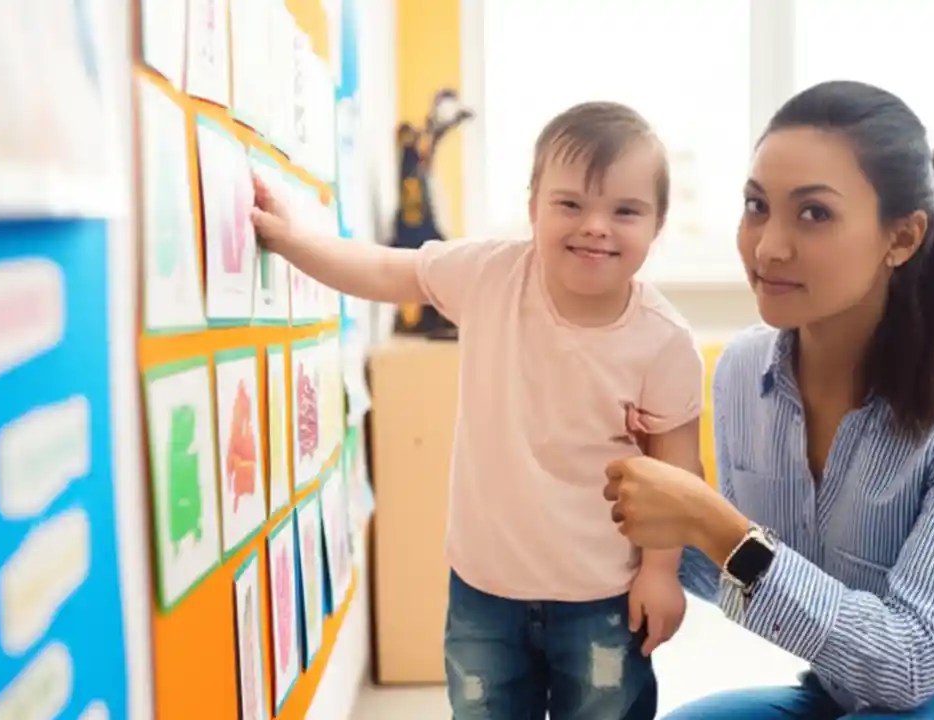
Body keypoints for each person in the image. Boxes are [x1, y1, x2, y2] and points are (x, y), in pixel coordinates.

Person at [603, 80, 934, 719]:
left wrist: (714, 524)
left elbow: (910, 662)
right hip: (853, 696)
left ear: (901, 239)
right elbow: (752, 569)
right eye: (756, 205)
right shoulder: (744, 371)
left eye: (814, 213)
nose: (768, 246)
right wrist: (653, 512)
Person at [252, 101, 705, 719]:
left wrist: (661, 573)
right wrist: (290, 239)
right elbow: (389, 269)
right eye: (570, 204)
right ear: (533, 208)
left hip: (603, 593)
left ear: (656, 225)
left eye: (625, 211)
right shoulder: (491, 274)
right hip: (484, 590)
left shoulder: (664, 339)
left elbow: (678, 473)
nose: (596, 225)